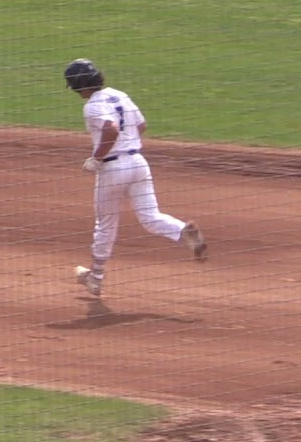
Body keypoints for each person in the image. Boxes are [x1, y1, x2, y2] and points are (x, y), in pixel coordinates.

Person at [64, 59, 207, 300]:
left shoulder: (92, 106)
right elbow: (141, 125)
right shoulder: (119, 94)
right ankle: (183, 231)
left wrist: (97, 157)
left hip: (113, 169)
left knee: (105, 224)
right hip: (139, 163)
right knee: (150, 216)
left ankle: (95, 278)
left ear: (78, 86)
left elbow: (111, 129)